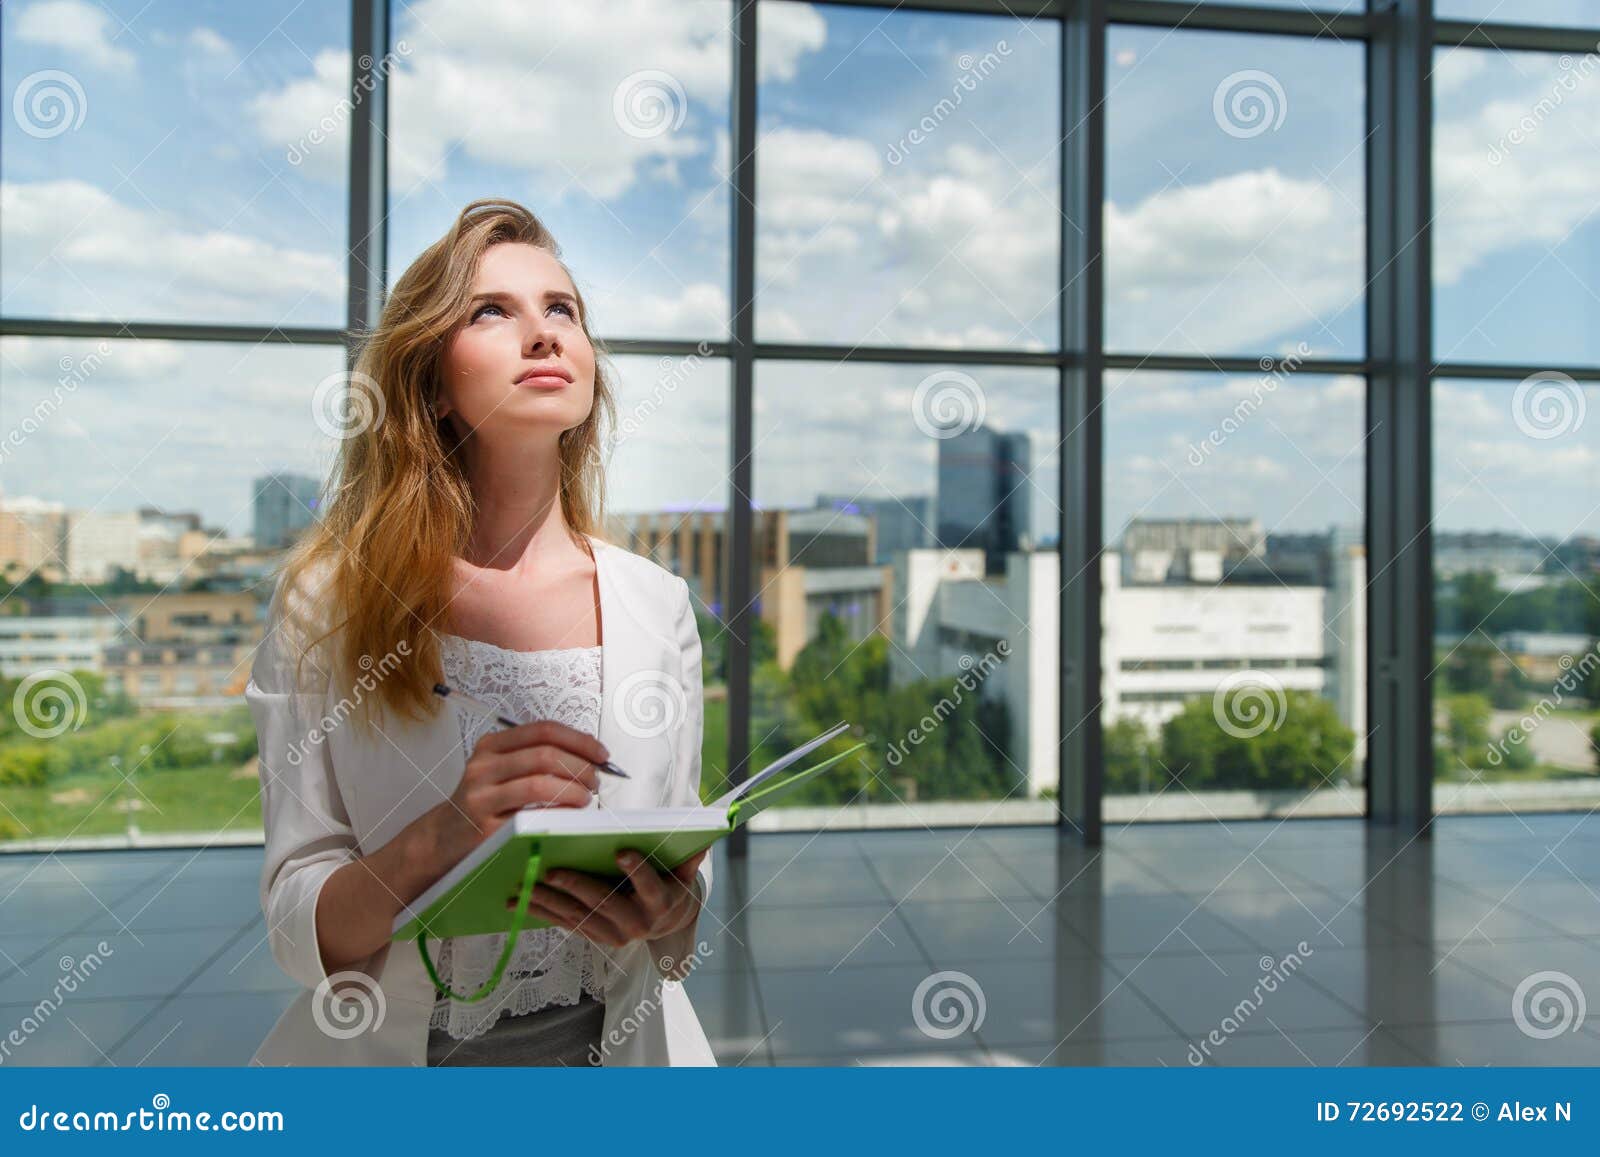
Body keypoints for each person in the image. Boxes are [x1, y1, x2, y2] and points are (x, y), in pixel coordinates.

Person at [246, 198, 715, 1067]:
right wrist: (442, 836)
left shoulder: (659, 604)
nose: (543, 334)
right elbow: (296, 924)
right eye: (491, 311)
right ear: (430, 382)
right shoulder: (327, 605)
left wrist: (672, 910)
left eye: (561, 309)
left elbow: (681, 874)